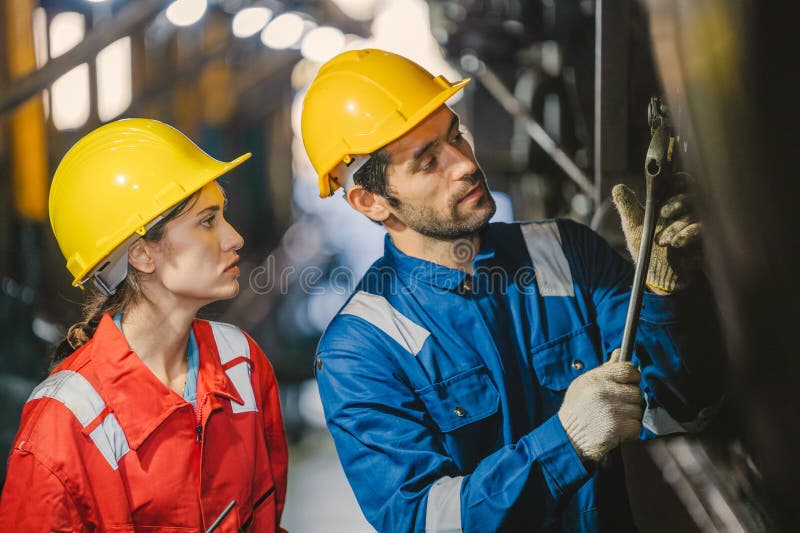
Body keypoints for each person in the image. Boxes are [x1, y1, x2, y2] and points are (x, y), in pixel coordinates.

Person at [300, 49, 723, 532]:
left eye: (456, 135)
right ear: (370, 201)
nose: (463, 164)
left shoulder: (566, 252)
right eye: (428, 161)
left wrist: (664, 293)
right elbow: (423, 521)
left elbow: (680, 411)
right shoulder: (360, 350)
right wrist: (567, 442)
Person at [0, 119, 288, 532]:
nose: (234, 237)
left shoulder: (241, 363)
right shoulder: (64, 426)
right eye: (208, 221)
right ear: (141, 255)